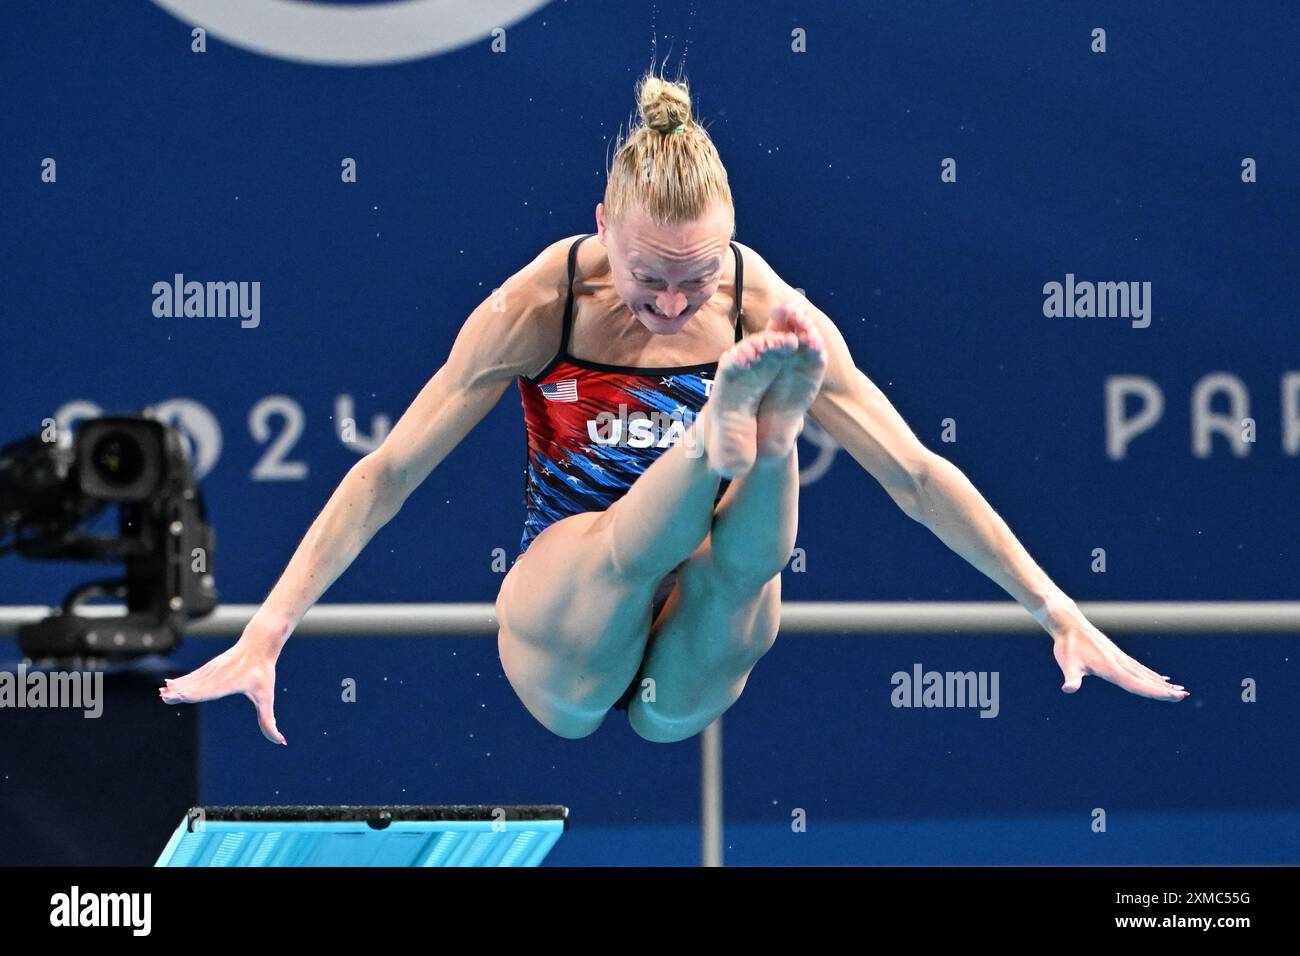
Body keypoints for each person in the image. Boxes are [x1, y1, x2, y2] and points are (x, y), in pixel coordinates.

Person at [160, 71, 1187, 745]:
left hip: (691, 645)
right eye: (650, 277)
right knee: (620, 548)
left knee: (740, 569)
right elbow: (385, 474)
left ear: (732, 239)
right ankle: (728, 439)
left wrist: (1056, 609)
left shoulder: (770, 309)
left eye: (697, 284)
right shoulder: (537, 304)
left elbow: (916, 475)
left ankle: (760, 439)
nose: (672, 305)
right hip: (568, 605)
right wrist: (270, 628)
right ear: (603, 223)